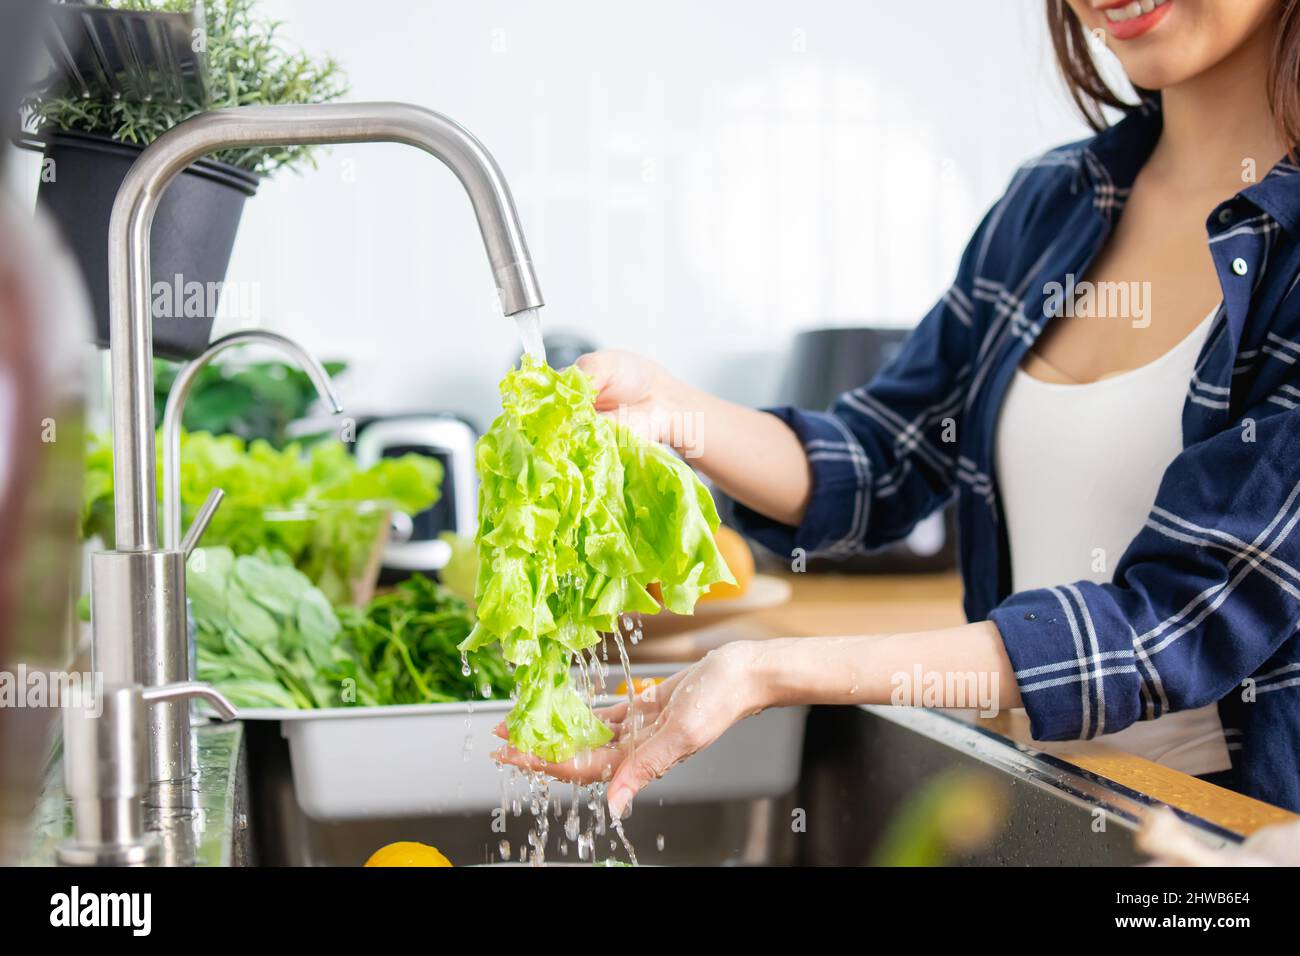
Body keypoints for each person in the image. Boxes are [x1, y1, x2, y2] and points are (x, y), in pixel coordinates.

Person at [495, 0, 1300, 818]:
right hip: (1054, 799)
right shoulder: (1055, 202)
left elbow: (1176, 624)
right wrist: (672, 410)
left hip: (1231, 836)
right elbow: (884, 459)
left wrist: (769, 669)